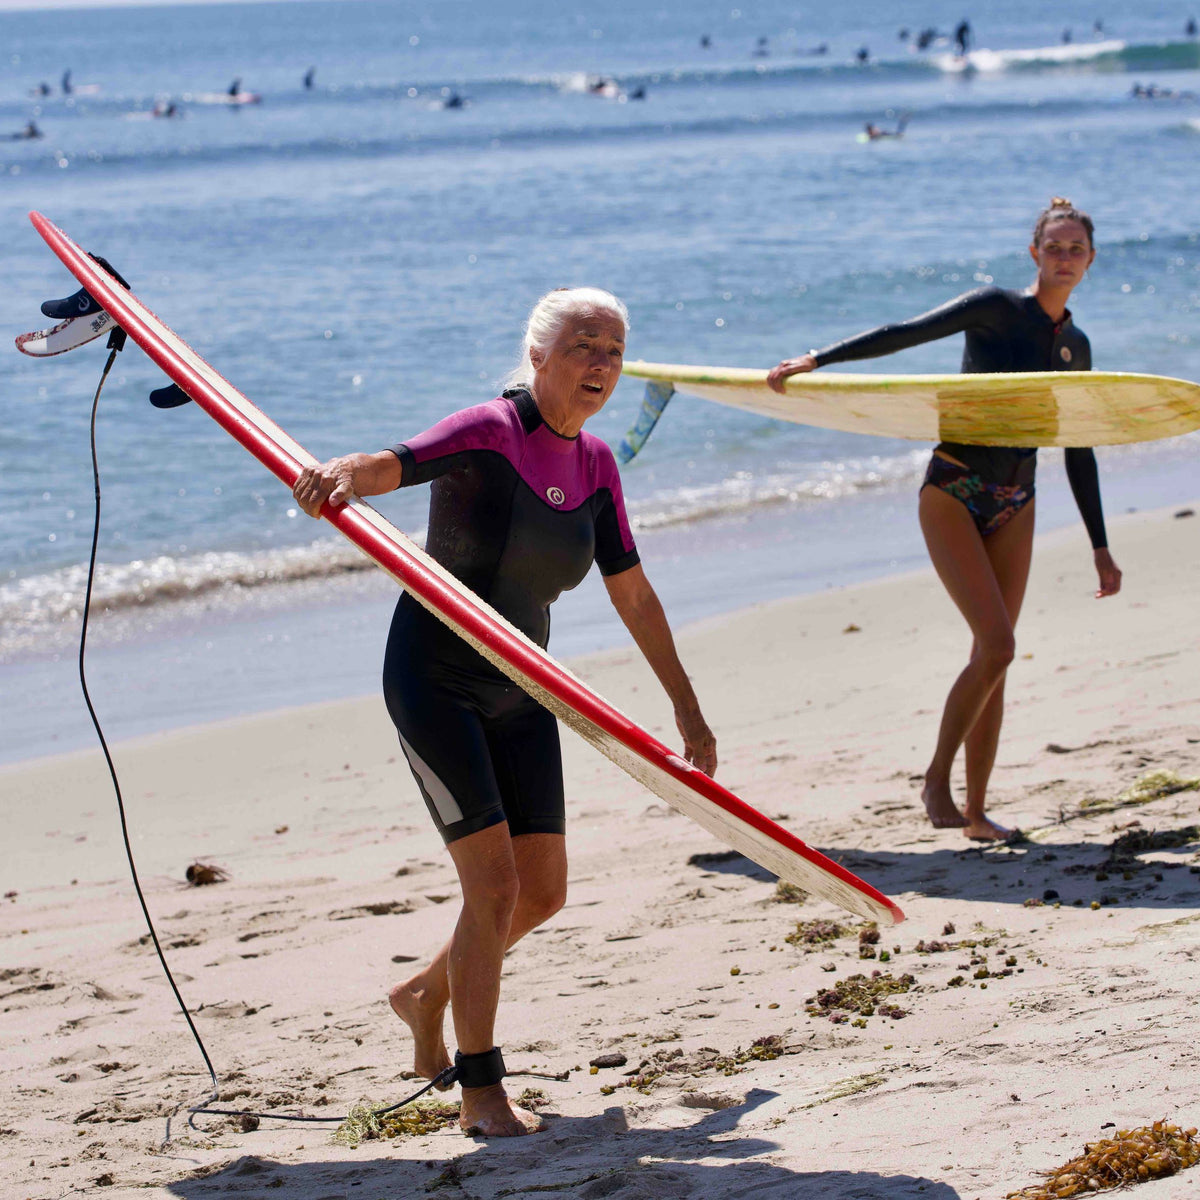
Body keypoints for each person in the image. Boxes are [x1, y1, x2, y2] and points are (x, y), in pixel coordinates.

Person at [292, 288, 717, 1136]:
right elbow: (394, 463)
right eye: (583, 344)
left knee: (543, 892)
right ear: (539, 356)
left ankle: (423, 993)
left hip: (523, 685)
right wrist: (342, 474)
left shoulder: (596, 465)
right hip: (437, 679)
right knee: (491, 888)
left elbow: (633, 596)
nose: (600, 363)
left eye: (614, 350)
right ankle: (480, 1091)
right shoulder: (491, 431)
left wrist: (687, 710)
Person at [767, 198, 1121, 842]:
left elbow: (1078, 445)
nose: (1065, 257)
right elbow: (907, 332)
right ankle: (936, 780)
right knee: (999, 644)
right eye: (1055, 246)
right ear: (1034, 252)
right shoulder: (995, 309)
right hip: (956, 488)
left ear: (1091, 261)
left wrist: (1100, 544)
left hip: (1019, 500)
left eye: (1077, 249)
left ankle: (978, 811)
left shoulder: (1075, 345)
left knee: (995, 657)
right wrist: (818, 361)